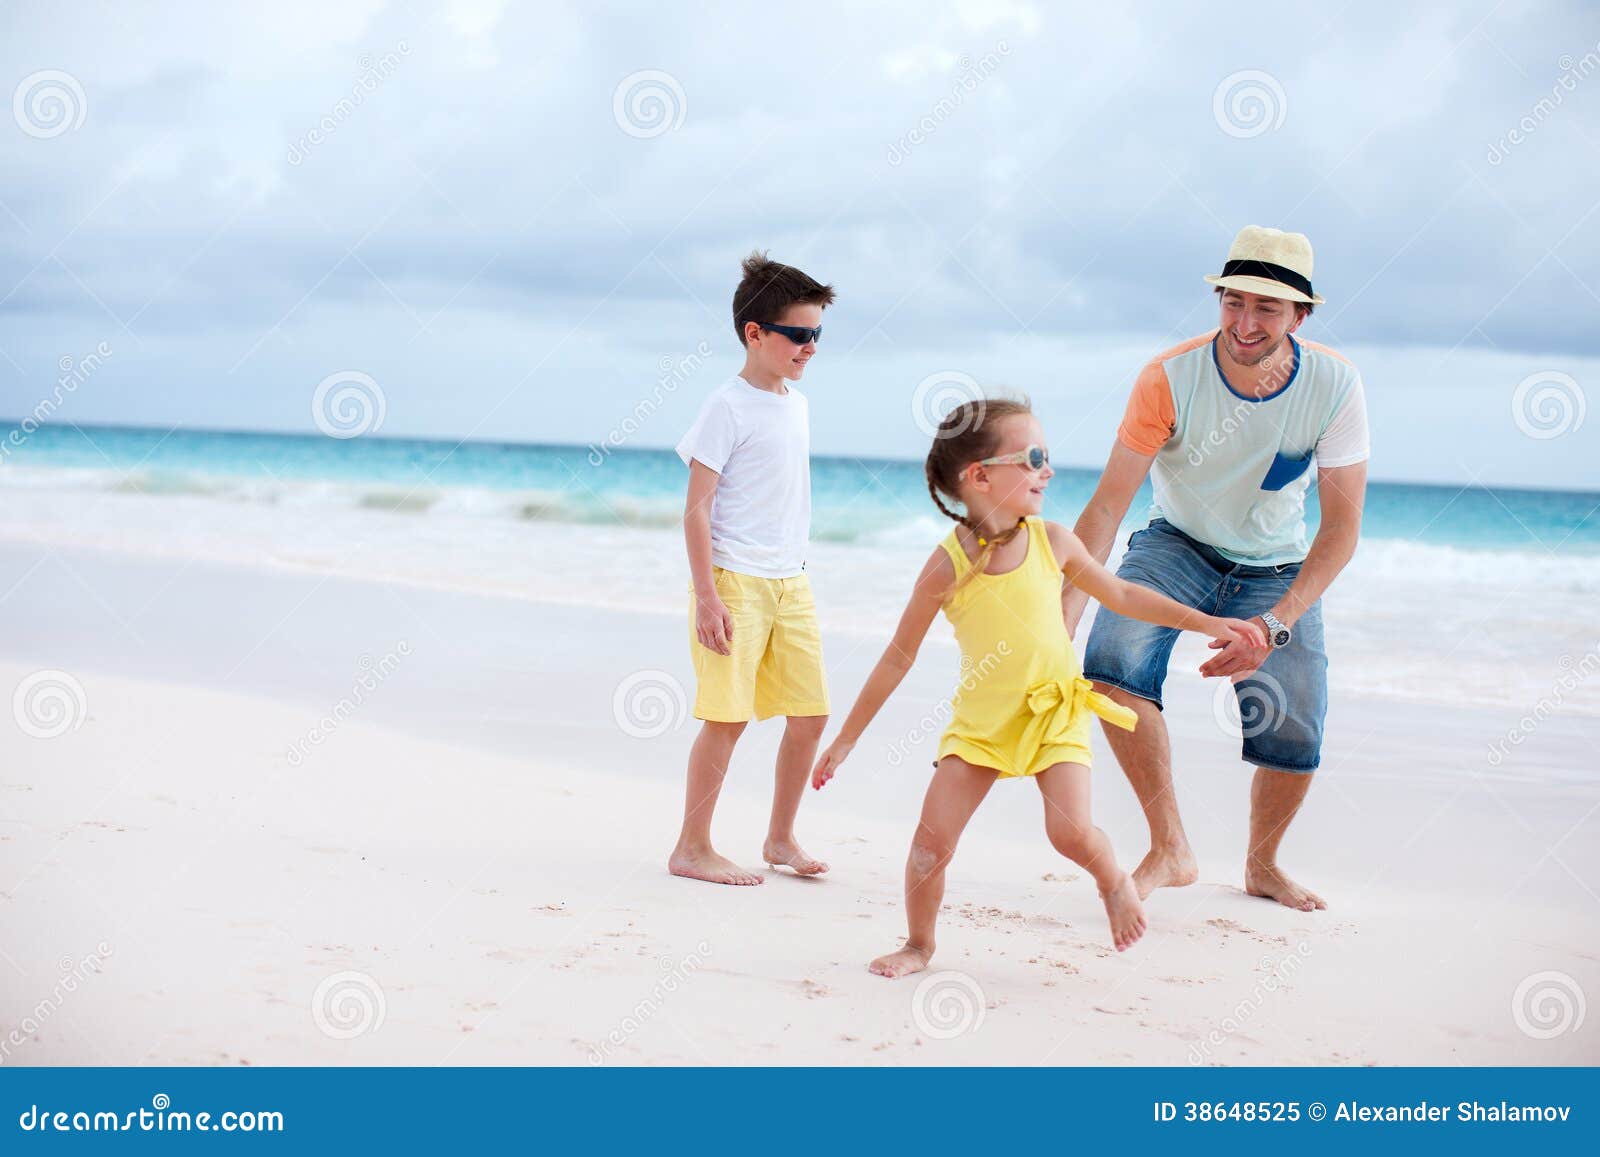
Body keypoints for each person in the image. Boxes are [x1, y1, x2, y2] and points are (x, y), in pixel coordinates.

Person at [810, 398, 1264, 976]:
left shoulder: (1054, 540)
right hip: (982, 725)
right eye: (1033, 458)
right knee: (930, 845)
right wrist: (847, 739)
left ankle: (1113, 881)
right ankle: (919, 945)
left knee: (1070, 834)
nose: (1048, 470)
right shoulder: (948, 565)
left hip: (1056, 713)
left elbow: (1122, 596)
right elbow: (898, 658)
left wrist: (1207, 622)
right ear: (980, 476)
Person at [1068, 225, 1370, 912]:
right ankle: (1170, 845)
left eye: (1267, 307)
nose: (1245, 322)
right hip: (1177, 544)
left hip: (1277, 566)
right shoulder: (1168, 377)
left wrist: (1274, 621)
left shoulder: (1333, 384)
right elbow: (1108, 505)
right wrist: (1064, 609)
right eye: (1234, 302)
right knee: (1112, 659)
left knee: (1294, 725)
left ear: (1300, 316)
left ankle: (1262, 865)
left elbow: (1342, 529)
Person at [668, 252, 836, 886]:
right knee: (728, 718)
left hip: (791, 580)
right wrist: (708, 597)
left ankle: (781, 837)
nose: (810, 346)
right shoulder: (726, 406)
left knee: (811, 713)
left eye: (817, 334)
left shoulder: (797, 404)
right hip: (734, 582)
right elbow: (695, 512)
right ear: (755, 333)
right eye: (798, 334)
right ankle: (691, 846)